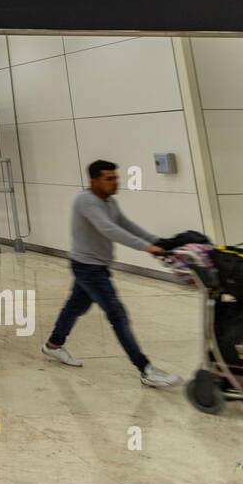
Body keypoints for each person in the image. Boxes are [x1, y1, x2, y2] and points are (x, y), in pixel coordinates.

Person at [41, 159, 181, 389]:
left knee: (76, 306)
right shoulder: (86, 201)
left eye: (116, 178)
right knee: (118, 316)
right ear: (94, 181)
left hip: (92, 265)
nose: (116, 182)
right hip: (89, 268)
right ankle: (145, 369)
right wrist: (146, 247)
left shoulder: (110, 202)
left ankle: (53, 345)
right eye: (109, 179)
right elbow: (109, 229)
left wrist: (159, 242)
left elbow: (127, 225)